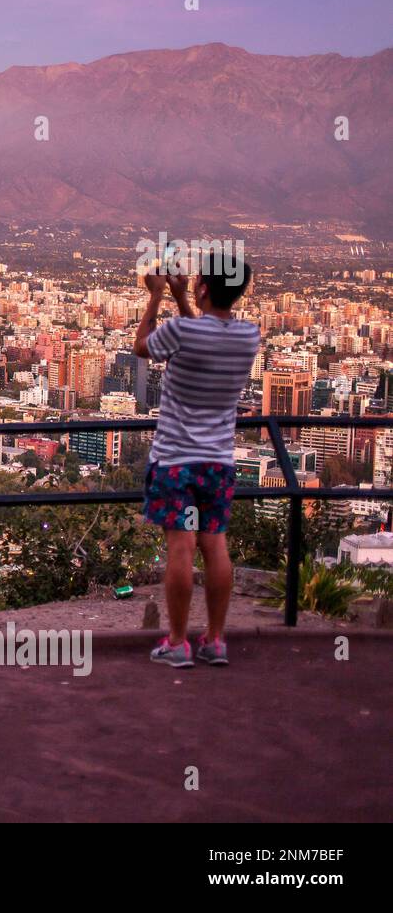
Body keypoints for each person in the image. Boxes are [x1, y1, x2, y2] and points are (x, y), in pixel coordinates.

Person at [133, 250, 260, 668]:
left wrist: (157, 297)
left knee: (182, 547)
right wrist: (186, 298)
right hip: (217, 465)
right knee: (215, 545)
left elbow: (142, 347)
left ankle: (176, 642)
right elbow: (203, 331)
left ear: (203, 287)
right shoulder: (248, 337)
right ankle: (216, 640)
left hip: (176, 465)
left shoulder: (180, 332)